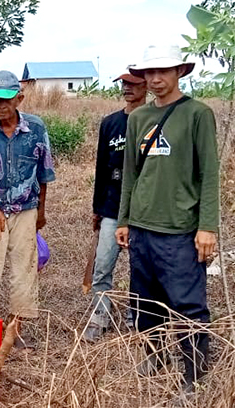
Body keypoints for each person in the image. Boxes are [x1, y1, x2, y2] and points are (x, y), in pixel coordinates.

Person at [116, 45, 218, 394]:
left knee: (188, 305)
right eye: (149, 73)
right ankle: (155, 358)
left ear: (179, 72)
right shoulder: (137, 119)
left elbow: (209, 174)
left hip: (180, 230)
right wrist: (124, 220)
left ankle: (193, 377)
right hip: (142, 228)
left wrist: (207, 227)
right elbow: (130, 172)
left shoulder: (197, 114)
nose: (156, 79)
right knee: (145, 303)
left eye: (164, 71)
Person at [0, 71, 55, 348]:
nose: (0, 107)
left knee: (24, 269)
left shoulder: (36, 128)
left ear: (19, 98)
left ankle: (14, 331)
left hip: (27, 207)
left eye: (6, 100)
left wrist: (41, 211)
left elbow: (44, 173)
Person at [83, 72, 147, 342]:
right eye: (124, 84)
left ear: (146, 86)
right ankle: (100, 316)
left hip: (144, 208)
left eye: (133, 84)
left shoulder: (153, 121)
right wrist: (97, 207)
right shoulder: (111, 123)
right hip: (112, 205)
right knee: (102, 265)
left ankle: (138, 317)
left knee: (140, 267)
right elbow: (101, 167)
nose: (127, 88)